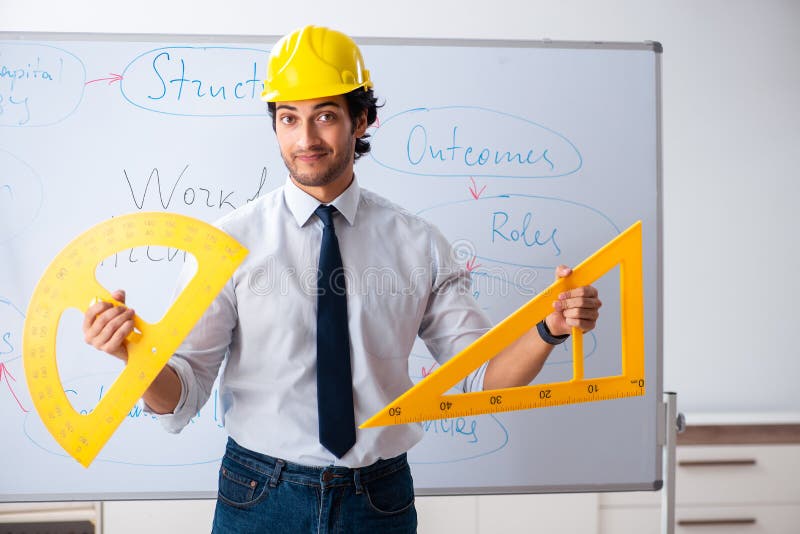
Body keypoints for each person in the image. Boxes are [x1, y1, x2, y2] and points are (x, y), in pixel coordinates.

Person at [82, 25, 602, 534]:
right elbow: (180, 396)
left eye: (325, 116)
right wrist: (135, 355)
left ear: (363, 120)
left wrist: (547, 330)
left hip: (376, 499)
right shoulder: (227, 246)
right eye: (288, 118)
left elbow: (482, 380)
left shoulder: (418, 244)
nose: (305, 138)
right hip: (259, 495)